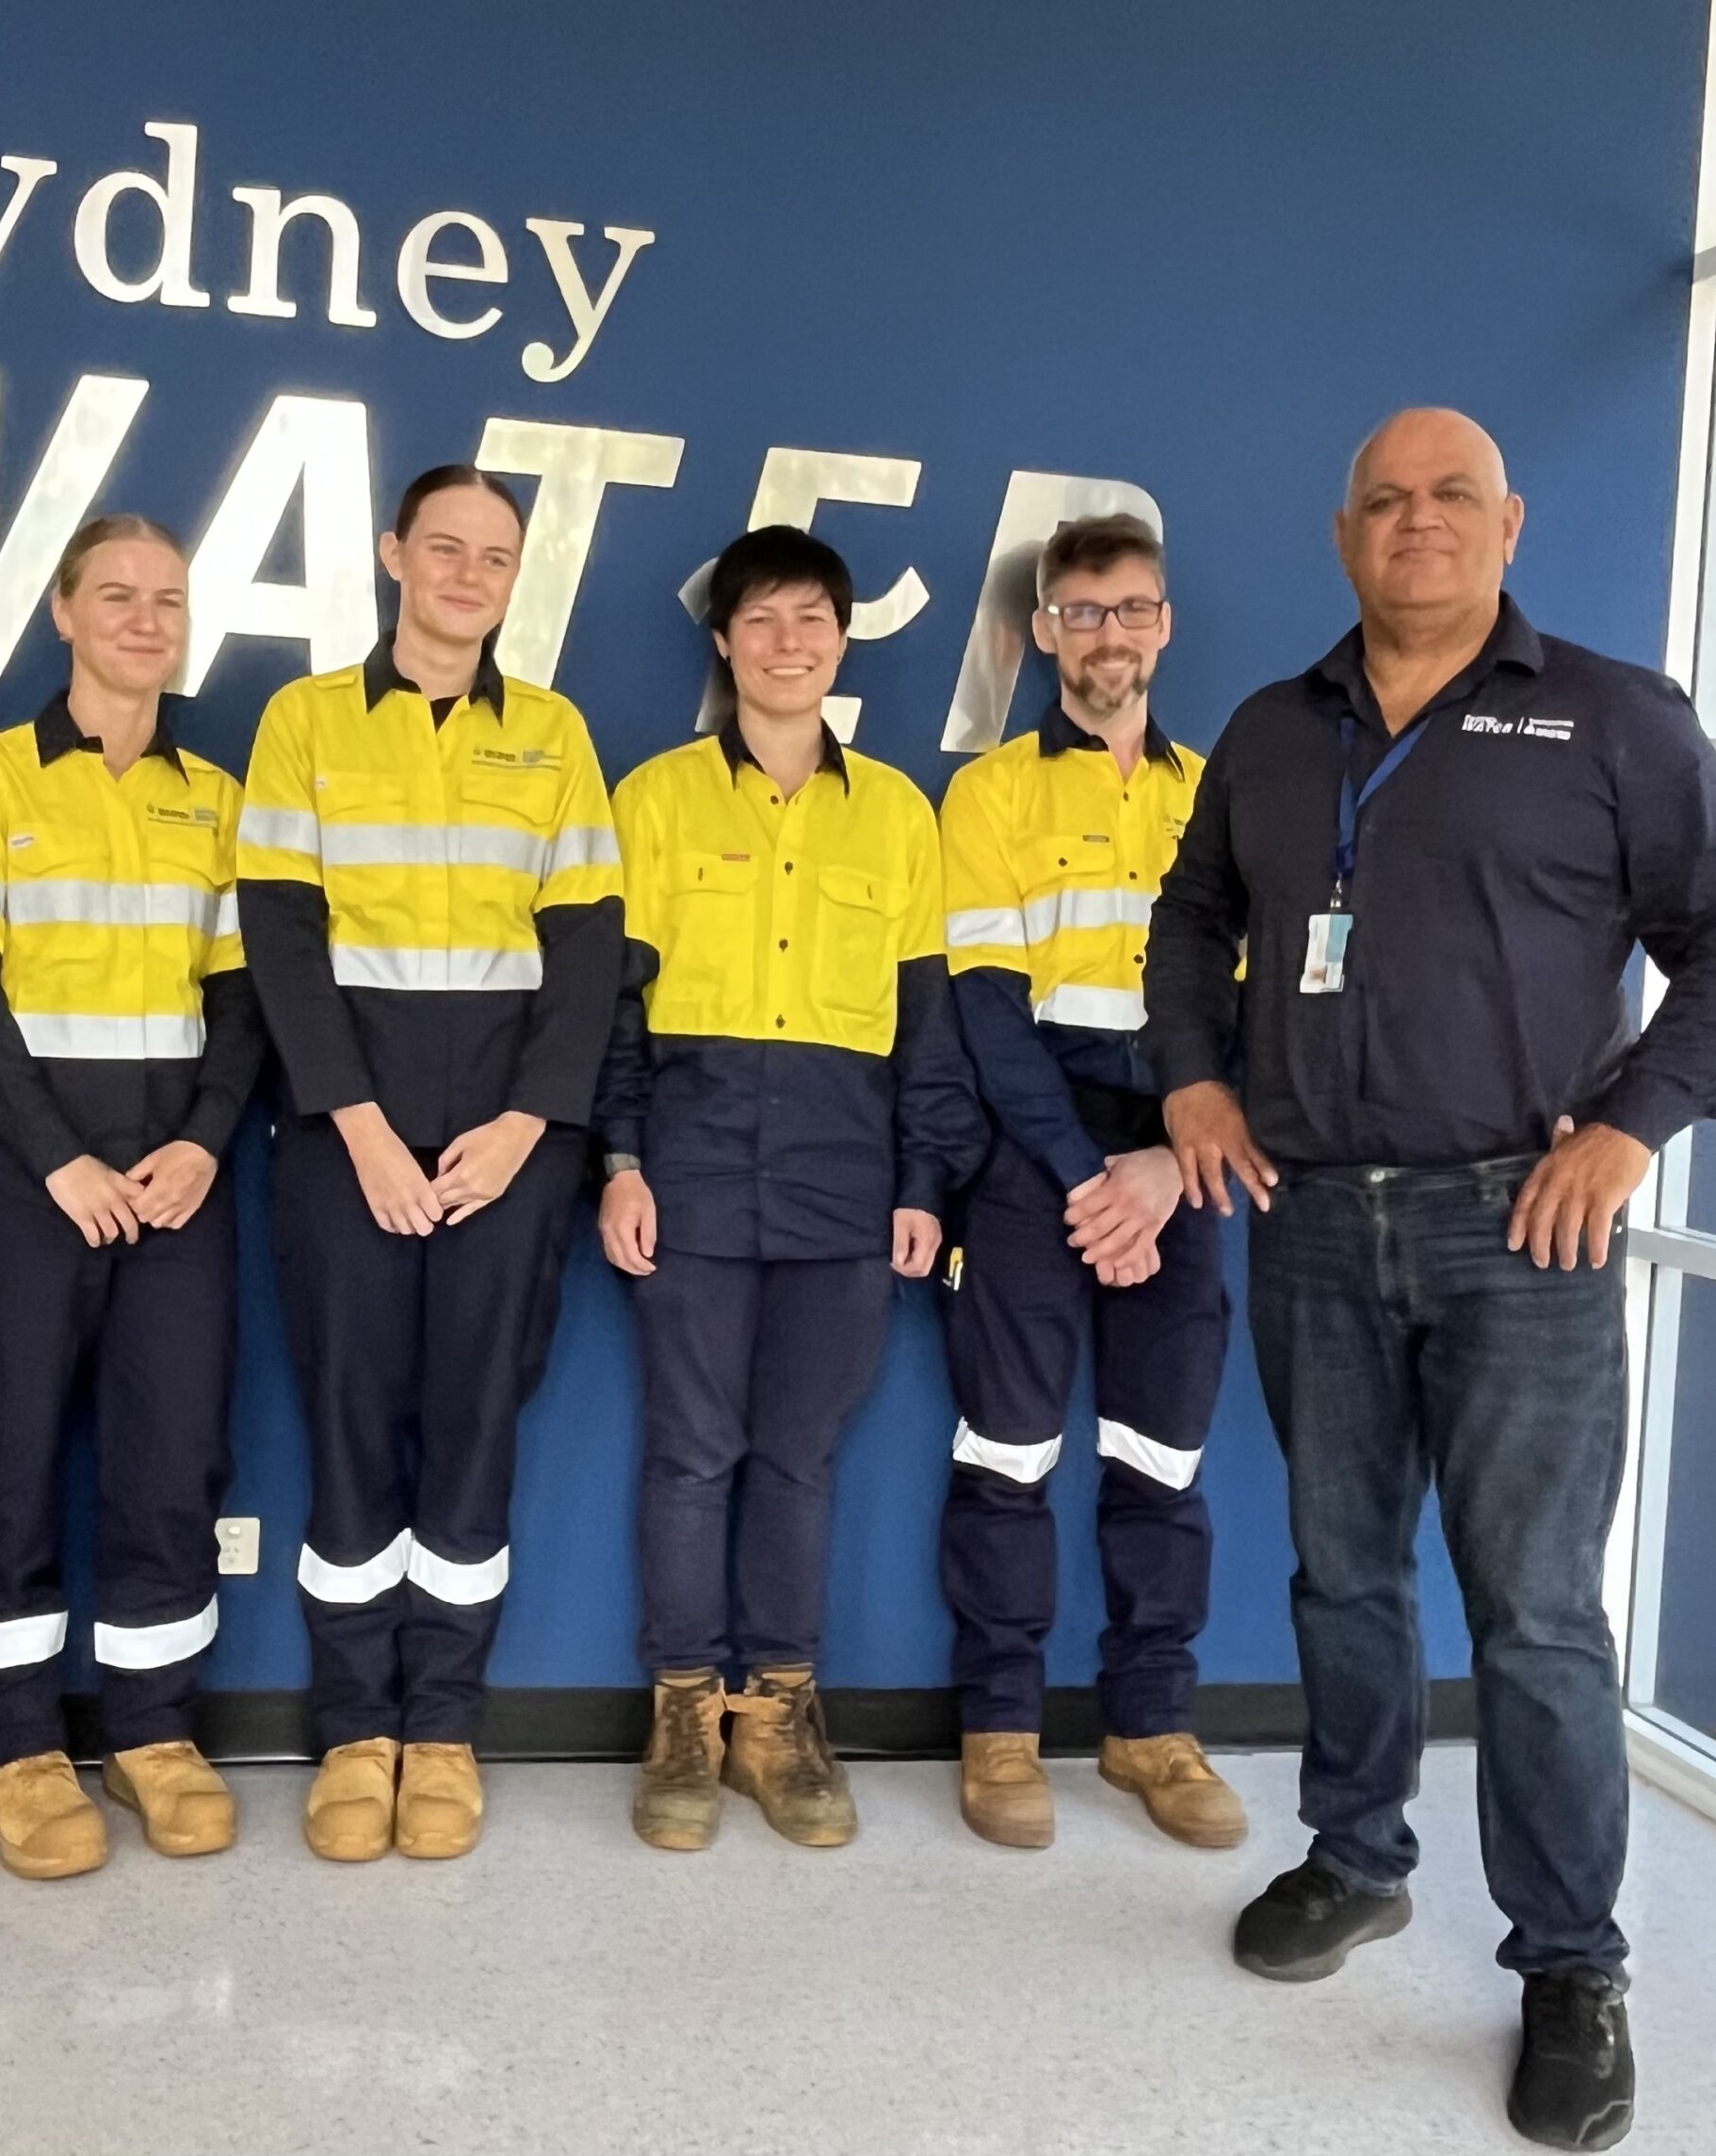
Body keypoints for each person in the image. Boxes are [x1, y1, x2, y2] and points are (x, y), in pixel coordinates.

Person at [1143, 409, 1716, 2152]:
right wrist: (1191, 1073)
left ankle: (1572, 1962)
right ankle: (1356, 1855)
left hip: (1525, 1229)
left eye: (1453, 499)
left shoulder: (1613, 719)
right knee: (1341, 1572)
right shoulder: (1273, 731)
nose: (1419, 524)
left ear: (1509, 524)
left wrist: (1633, 1127)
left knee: (1538, 1613)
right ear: (1346, 533)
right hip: (1318, 1215)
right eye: (1388, 501)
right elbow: (1191, 921)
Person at [237, 465, 623, 1861]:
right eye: (445, 546)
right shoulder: (305, 723)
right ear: (396, 555)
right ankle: (354, 1727)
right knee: (348, 1417)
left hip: (509, 1133)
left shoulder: (558, 735)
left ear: (516, 580)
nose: (468, 572)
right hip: (347, 1125)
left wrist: (529, 1128)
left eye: (497, 556)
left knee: (474, 1420)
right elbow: (279, 939)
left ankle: (443, 1725)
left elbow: (587, 953)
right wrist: (354, 1125)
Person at [595, 525, 983, 1852]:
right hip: (692, 1168)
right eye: (761, 618)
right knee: (692, 1451)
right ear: (724, 641)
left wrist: (927, 1178)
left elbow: (929, 1022)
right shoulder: (651, 799)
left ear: (842, 635)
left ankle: (781, 1714)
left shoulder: (900, 814)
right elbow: (614, 1010)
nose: (788, 641)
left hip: (846, 1176)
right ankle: (684, 1712)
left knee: (802, 1455)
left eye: (812, 617)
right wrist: (620, 1158)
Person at [0, 515, 263, 1879]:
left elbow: (241, 997)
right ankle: (11, 1741)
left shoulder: (218, 799)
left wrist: (206, 1141)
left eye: (167, 599)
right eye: (115, 594)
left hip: (179, 1172)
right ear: (61, 611)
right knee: (5, 1450)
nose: (144, 617)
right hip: (25, 1173)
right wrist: (57, 1154)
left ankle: (152, 1730)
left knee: (172, 1454)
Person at [935, 514, 1244, 1853]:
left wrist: (1168, 1169)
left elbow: (1267, 1014)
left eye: (1129, 608)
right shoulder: (991, 792)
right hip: (1036, 1142)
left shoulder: (1225, 795)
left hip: (1187, 1148)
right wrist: (1086, 1176)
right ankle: (1000, 1726)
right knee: (1005, 1451)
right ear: (1043, 630)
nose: (1106, 632)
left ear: (1163, 622)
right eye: (1079, 610)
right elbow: (990, 1017)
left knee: (1161, 1454)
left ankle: (1148, 1724)